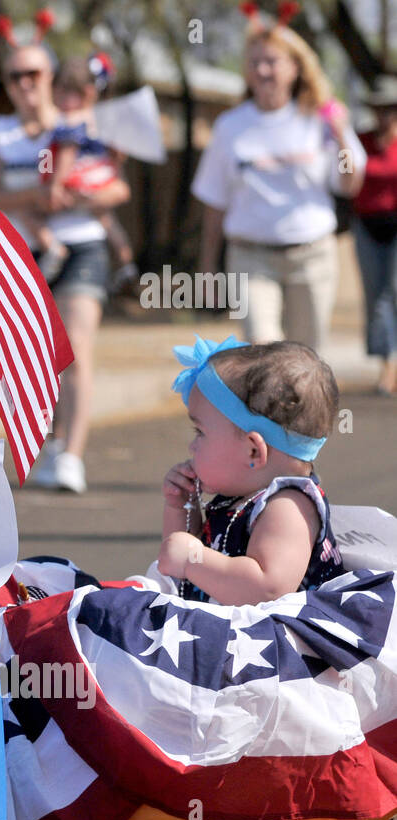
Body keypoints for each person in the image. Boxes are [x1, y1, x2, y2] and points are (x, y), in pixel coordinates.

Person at [0, 43, 131, 495]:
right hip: (22, 255)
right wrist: (35, 200)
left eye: (34, 74)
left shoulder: (85, 123)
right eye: (14, 76)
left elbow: (118, 185)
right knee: (39, 358)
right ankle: (49, 443)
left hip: (83, 246)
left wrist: (95, 198)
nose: (25, 83)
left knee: (76, 348)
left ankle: (72, 457)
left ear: (51, 77)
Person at [191, 18, 364, 352]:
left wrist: (341, 132)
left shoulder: (320, 120)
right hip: (250, 258)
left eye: (272, 61)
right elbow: (215, 203)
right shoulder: (230, 127)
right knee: (263, 352)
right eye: (255, 63)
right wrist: (208, 269)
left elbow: (350, 184)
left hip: (312, 257)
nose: (263, 71)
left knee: (307, 359)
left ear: (295, 68)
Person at [157, 337, 344, 606]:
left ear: (253, 450)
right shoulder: (240, 495)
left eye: (200, 432)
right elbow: (180, 557)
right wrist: (181, 509)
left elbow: (266, 588)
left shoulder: (289, 507)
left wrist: (192, 559)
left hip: (280, 645)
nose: (191, 445)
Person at [24, 54, 137, 291]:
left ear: (86, 93)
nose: (60, 99)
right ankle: (126, 262)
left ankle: (53, 248)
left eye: (65, 93)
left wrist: (55, 185)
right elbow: (118, 154)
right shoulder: (99, 120)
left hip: (75, 180)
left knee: (31, 213)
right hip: (97, 180)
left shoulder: (71, 120)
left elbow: (66, 152)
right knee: (106, 218)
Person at [351, 75, 397, 396]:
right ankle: (386, 364)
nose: (385, 115)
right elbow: (345, 175)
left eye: (390, 108)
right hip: (366, 226)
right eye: (379, 108)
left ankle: (393, 365)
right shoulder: (359, 141)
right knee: (375, 295)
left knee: (393, 291)